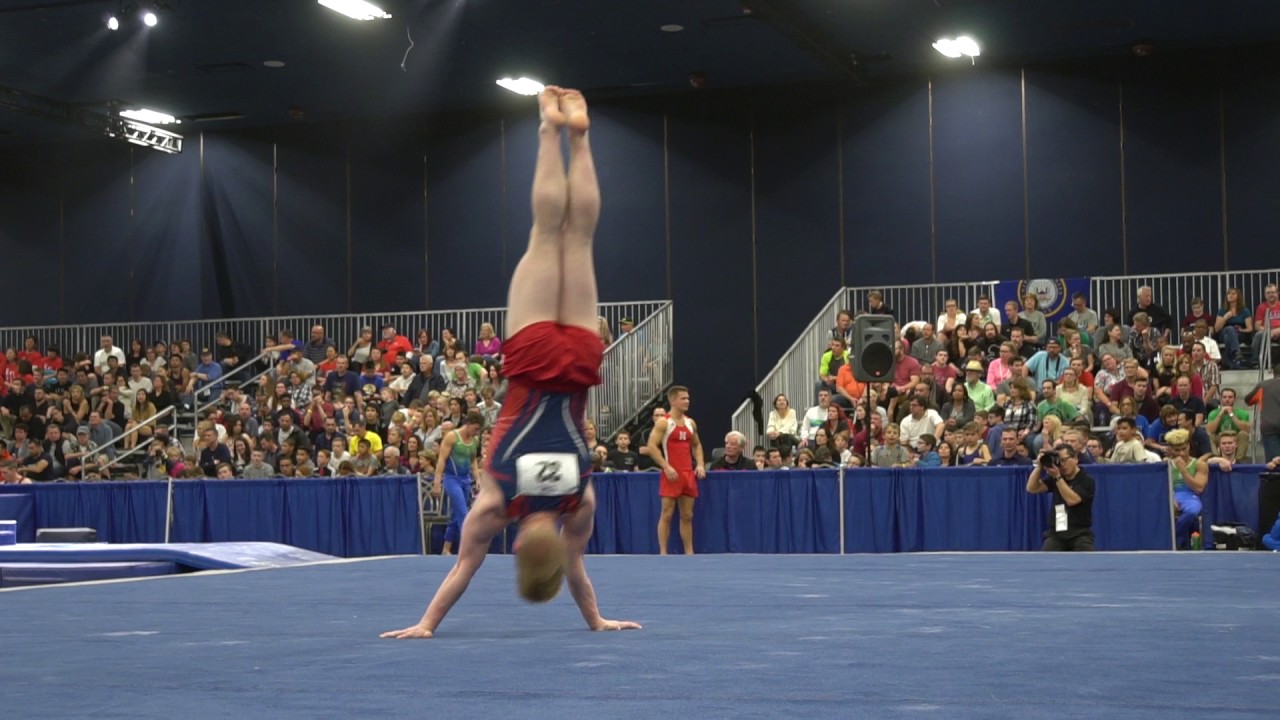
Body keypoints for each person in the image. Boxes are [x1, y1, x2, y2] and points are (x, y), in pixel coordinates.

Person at [382, 87, 639, 639]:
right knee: (548, 234)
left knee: (580, 239)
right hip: (529, 360)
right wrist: (427, 623)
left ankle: (579, 133)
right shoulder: (498, 502)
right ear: (520, 547)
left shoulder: (580, 500)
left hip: (577, 368)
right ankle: (549, 129)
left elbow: (577, 567)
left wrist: (598, 619)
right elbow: (463, 567)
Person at [647, 385, 706, 555]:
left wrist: (700, 464)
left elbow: (697, 445)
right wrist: (665, 466)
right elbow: (651, 446)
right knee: (667, 514)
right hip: (671, 474)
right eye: (683, 398)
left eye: (688, 398)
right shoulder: (664, 423)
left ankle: (689, 552)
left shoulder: (690, 423)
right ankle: (663, 553)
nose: (687, 401)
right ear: (673, 400)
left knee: (687, 515)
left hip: (687, 474)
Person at [431, 410, 484, 555]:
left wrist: (478, 479)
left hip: (465, 480)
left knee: (455, 515)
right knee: (462, 512)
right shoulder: (451, 437)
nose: (476, 432)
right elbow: (441, 460)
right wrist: (437, 482)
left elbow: (472, 460)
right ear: (468, 424)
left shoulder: (474, 441)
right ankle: (469, 548)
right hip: (451, 479)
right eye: (476, 428)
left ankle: (446, 548)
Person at [1026, 445, 1095, 551]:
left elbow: (1072, 500)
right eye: (1058, 461)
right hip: (1057, 534)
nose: (1062, 465)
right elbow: (1032, 488)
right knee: (1045, 561)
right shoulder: (1056, 478)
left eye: (1064, 460)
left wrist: (1057, 477)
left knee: (1087, 562)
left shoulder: (1086, 480)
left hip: (1079, 534)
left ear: (1075, 459)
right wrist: (1039, 466)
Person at [1164, 428, 1208, 549]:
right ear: (1170, 450)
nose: (1182, 453)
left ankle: (1173, 539)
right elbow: (1161, 487)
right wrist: (1171, 497)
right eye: (1177, 450)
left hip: (1190, 496)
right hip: (1171, 495)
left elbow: (1199, 488)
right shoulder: (1165, 464)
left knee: (1192, 512)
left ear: (1189, 446)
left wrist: (1183, 470)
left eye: (1184, 449)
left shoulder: (1199, 464)